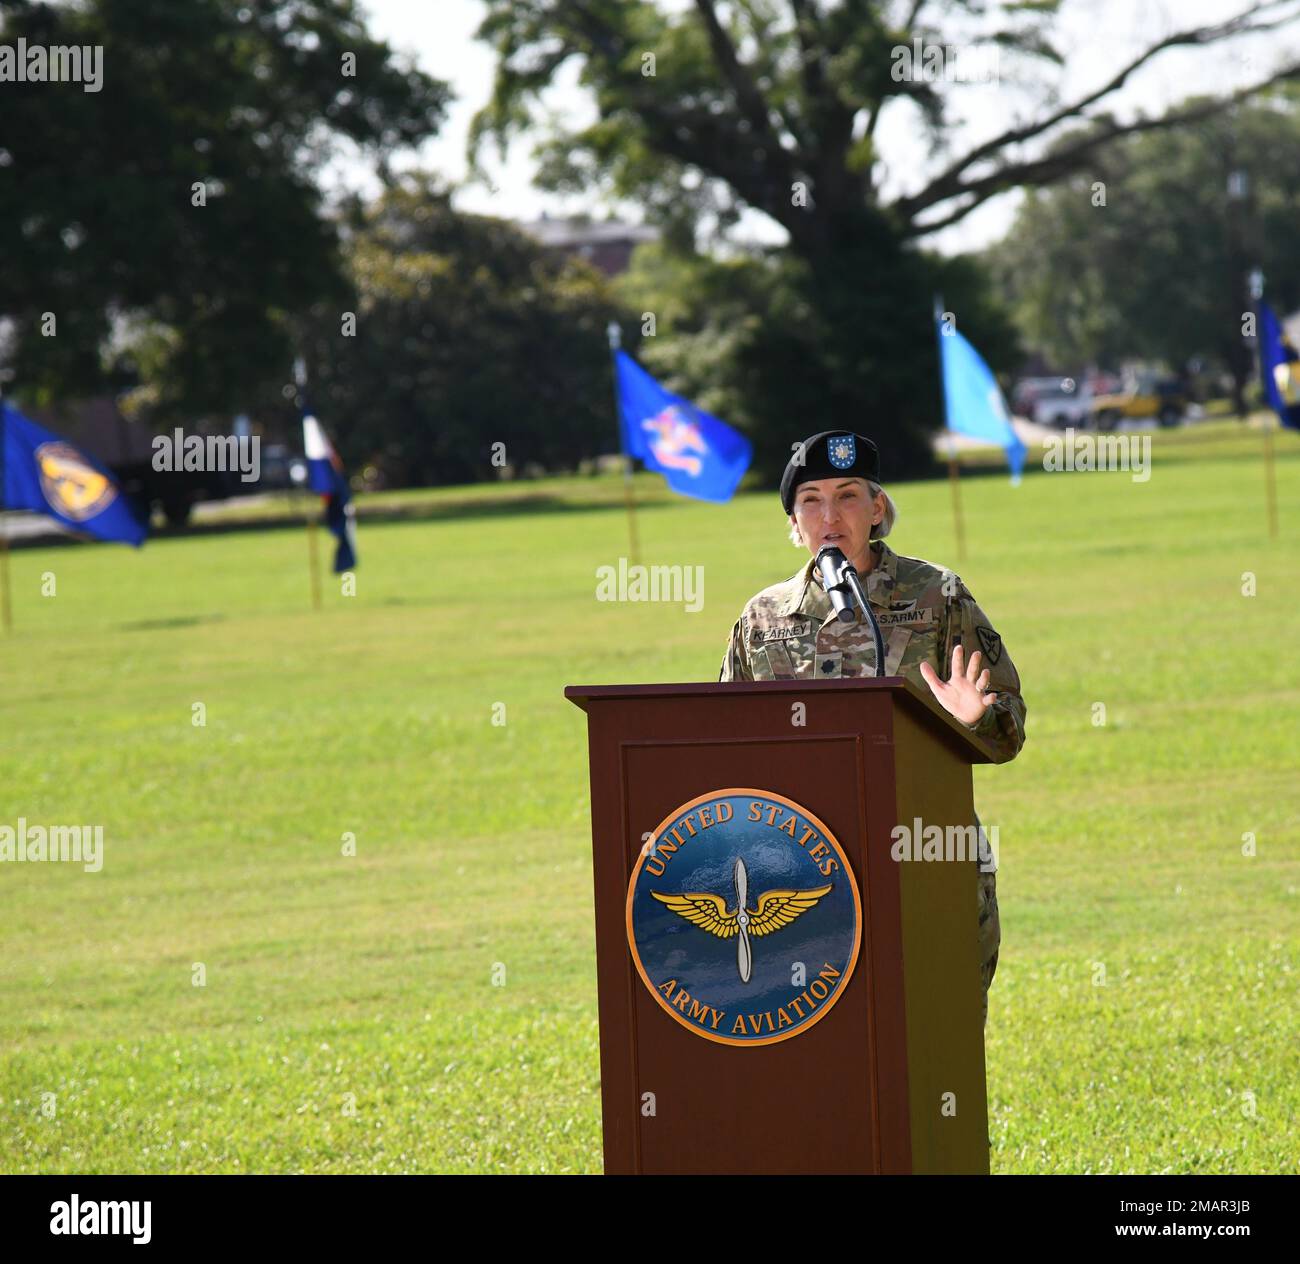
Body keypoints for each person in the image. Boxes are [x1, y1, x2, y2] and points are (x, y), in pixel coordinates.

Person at [718, 431, 1027, 1026]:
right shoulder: (762, 620)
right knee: (825, 1038)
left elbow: (1007, 731)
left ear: (878, 508)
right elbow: (726, 753)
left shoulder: (937, 596)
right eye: (811, 499)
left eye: (849, 496)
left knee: (943, 1030)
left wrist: (978, 718)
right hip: (800, 867)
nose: (830, 515)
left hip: (927, 849)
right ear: (793, 518)